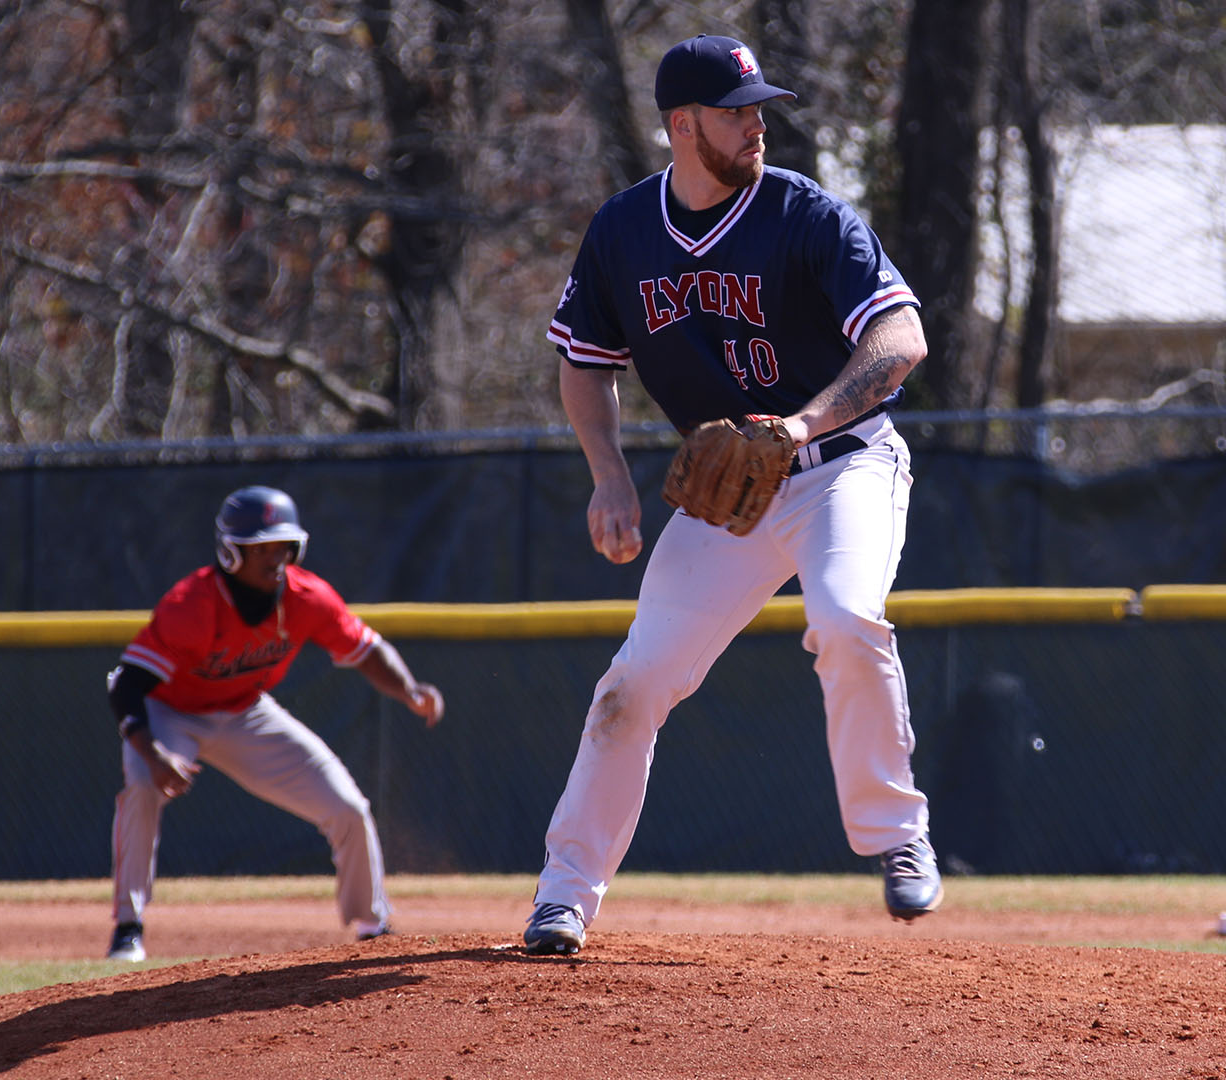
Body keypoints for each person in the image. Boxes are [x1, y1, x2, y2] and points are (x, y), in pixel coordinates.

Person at [526, 33, 940, 955]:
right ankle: (564, 894)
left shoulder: (806, 215)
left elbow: (901, 340)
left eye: (760, 108)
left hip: (844, 466)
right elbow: (584, 366)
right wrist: (608, 478)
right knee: (631, 687)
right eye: (737, 110)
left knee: (843, 617)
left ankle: (897, 837)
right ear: (683, 124)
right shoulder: (623, 232)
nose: (757, 125)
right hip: (726, 501)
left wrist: (799, 424)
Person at [103, 485, 444, 961]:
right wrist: (153, 753)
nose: (275, 557)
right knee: (141, 788)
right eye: (260, 547)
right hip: (169, 712)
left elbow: (366, 649)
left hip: (245, 710)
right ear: (230, 552)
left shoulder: (307, 596)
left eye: (282, 545)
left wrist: (408, 689)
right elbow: (126, 683)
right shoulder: (192, 604)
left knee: (348, 807)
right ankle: (128, 926)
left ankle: (372, 924)